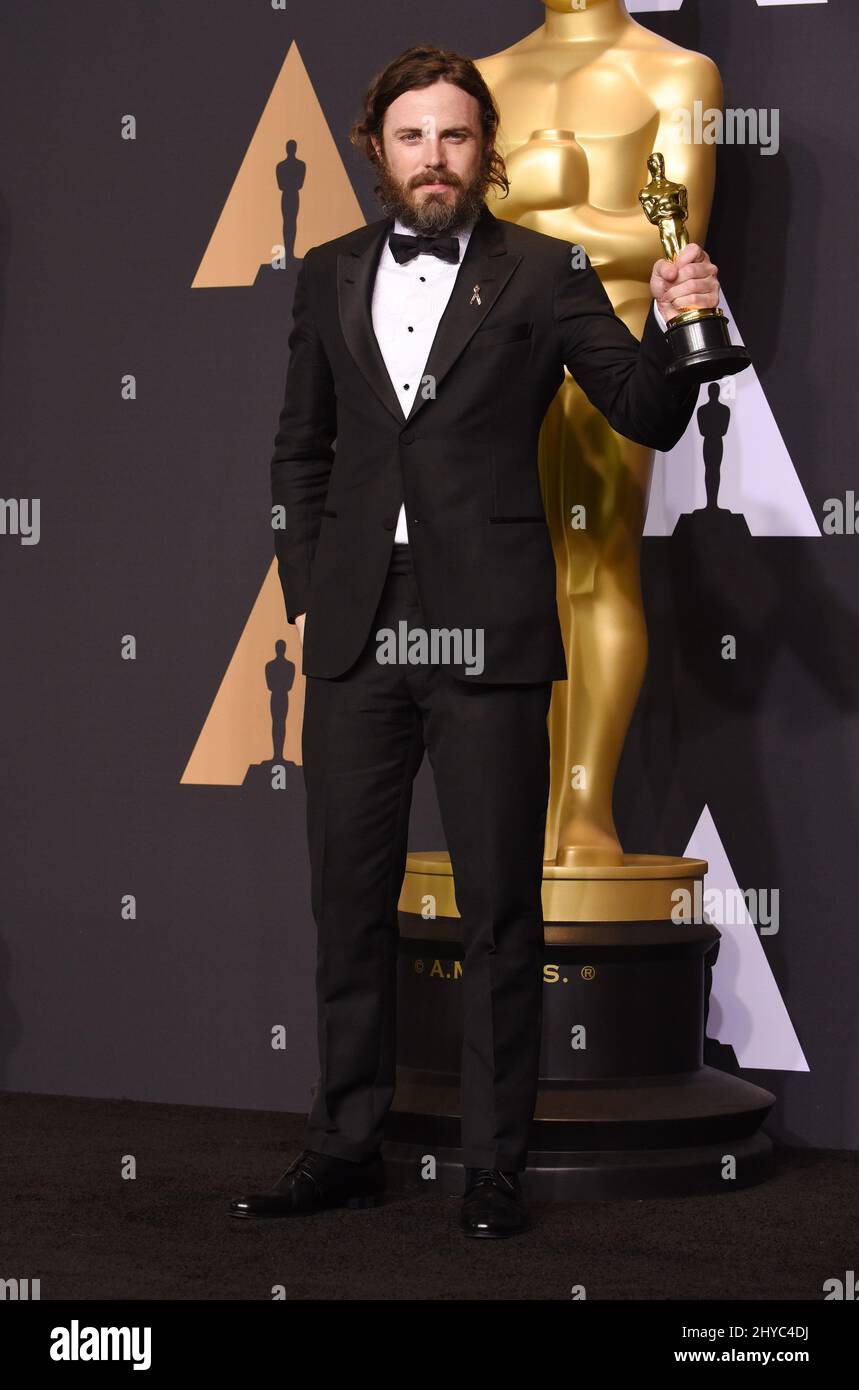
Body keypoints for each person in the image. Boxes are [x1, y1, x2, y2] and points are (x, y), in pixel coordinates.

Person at [229, 43, 718, 1238]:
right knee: (349, 899)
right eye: (411, 137)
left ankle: (494, 1164)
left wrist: (681, 325)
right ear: (376, 151)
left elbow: (645, 409)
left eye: (454, 136)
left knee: (501, 904)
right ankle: (344, 1145)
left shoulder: (543, 272)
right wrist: (305, 587)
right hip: (356, 625)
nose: (433, 158)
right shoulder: (332, 272)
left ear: (483, 152)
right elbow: (299, 447)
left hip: (488, 622)